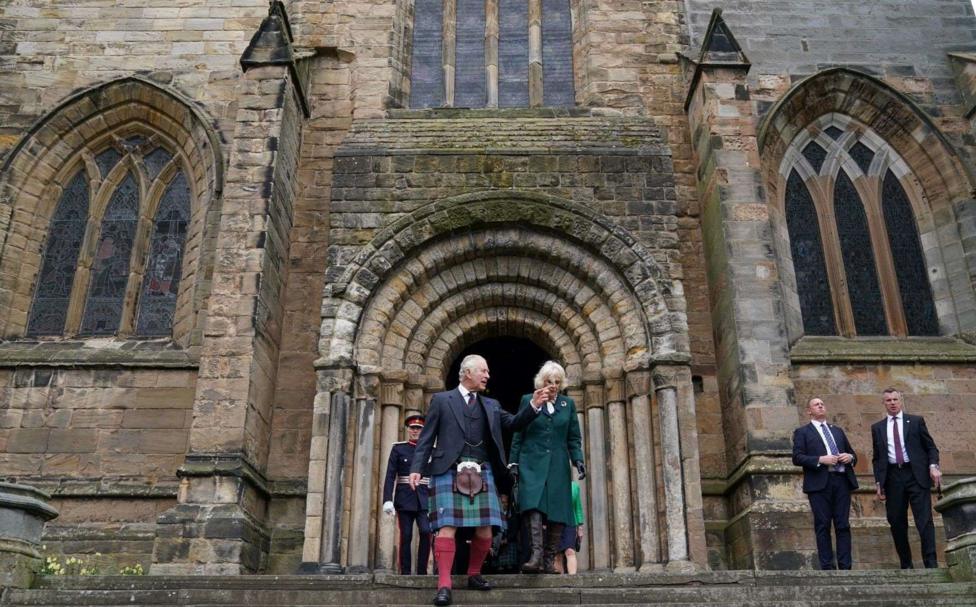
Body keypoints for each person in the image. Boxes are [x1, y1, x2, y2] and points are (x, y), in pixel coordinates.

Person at [408, 354, 551, 607]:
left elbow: (515, 423)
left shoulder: (491, 404)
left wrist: (534, 406)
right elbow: (427, 437)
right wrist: (418, 468)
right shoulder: (442, 400)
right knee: (447, 527)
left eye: (487, 371)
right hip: (447, 469)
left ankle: (474, 574)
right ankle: (444, 584)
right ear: (467, 373)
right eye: (483, 371)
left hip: (482, 470)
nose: (487, 375)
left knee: (486, 528)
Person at [509, 360, 585, 574]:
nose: (553, 385)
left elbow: (573, 437)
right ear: (541, 381)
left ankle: (549, 560)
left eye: (557, 382)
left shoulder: (567, 405)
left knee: (558, 510)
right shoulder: (529, 400)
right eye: (549, 381)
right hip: (530, 462)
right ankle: (536, 556)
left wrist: (577, 459)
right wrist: (513, 462)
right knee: (532, 505)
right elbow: (518, 432)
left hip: (558, 464)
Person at [871, 388, 941, 569]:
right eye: (888, 400)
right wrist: (879, 482)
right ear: (884, 403)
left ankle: (931, 564)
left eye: (895, 399)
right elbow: (878, 458)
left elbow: (931, 448)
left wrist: (933, 466)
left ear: (901, 401)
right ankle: (906, 564)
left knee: (924, 520)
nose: (892, 403)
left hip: (915, 474)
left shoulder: (916, 421)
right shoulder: (877, 428)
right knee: (896, 521)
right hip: (893, 477)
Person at [791, 397, 858, 570]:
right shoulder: (802, 432)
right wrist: (820, 459)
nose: (820, 406)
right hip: (819, 484)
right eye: (816, 404)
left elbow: (852, 454)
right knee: (823, 524)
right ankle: (827, 566)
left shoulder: (837, 431)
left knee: (843, 524)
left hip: (842, 481)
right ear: (809, 411)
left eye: (822, 404)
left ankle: (845, 567)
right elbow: (797, 458)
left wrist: (849, 457)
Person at [382, 414, 431, 575]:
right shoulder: (399, 448)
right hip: (405, 498)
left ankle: (422, 571)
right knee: (406, 535)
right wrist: (387, 500)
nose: (415, 431)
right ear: (408, 430)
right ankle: (405, 572)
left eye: (418, 428)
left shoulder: (431, 449)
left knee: (425, 531)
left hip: (426, 498)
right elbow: (390, 475)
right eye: (412, 428)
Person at [555, 479, 584, 574]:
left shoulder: (575, 486)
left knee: (570, 551)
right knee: (557, 554)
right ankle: (559, 583)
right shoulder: (552, 485)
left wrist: (580, 527)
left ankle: (572, 581)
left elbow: (578, 507)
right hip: (555, 522)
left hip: (571, 522)